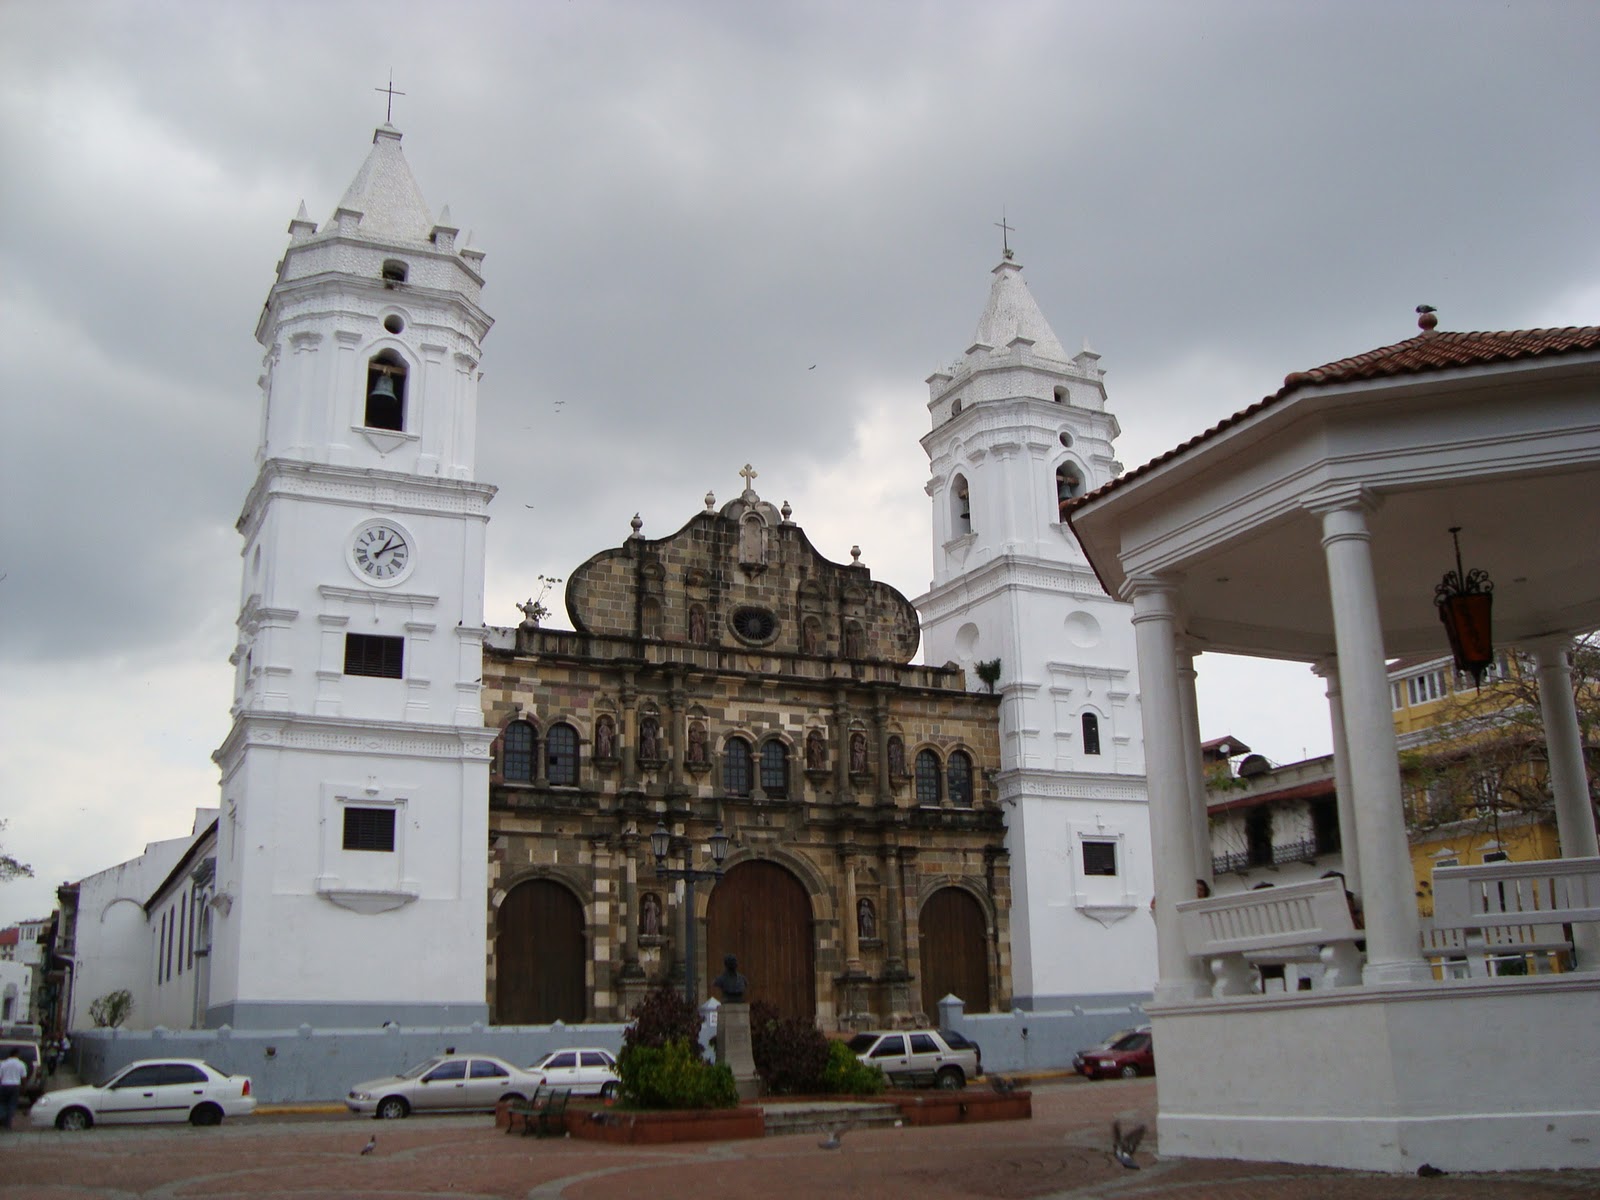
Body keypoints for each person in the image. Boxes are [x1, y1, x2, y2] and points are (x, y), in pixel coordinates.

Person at [0, 1046, 27, 1129]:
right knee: (12, 1104)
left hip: (4, 1085)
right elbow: (23, 1078)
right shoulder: (21, 1064)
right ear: (16, 1054)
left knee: (2, 1103)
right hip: (15, 1085)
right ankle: (8, 1123)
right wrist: (23, 1087)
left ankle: (2, 1118)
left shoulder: (3, 1063)